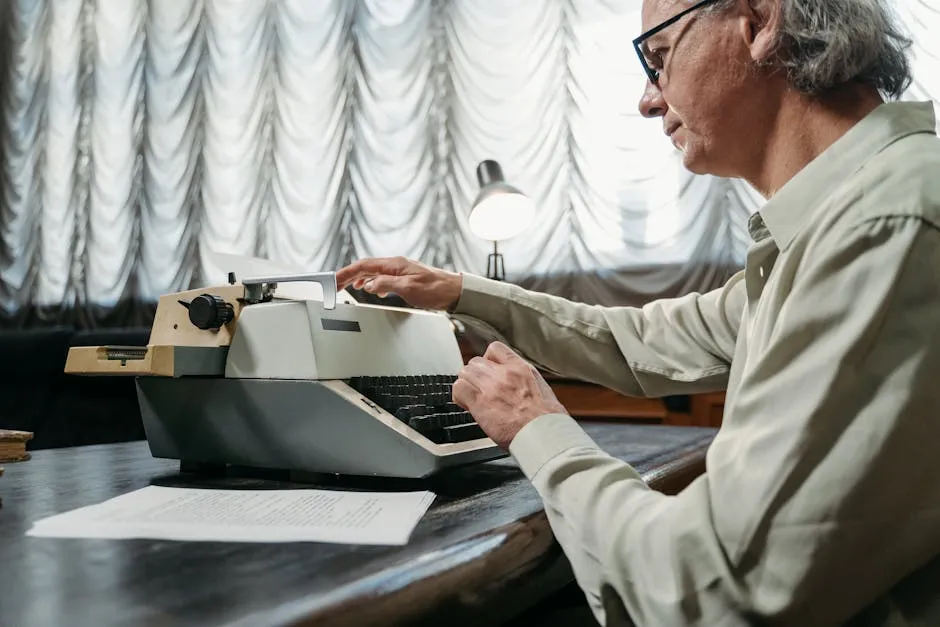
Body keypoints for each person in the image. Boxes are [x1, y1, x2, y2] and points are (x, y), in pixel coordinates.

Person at [336, 0, 940, 624]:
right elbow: (644, 341)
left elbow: (711, 589)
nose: (649, 101)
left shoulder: (885, 225)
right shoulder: (850, 214)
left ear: (759, 23)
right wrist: (463, 292)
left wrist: (534, 427)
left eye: (658, 58)